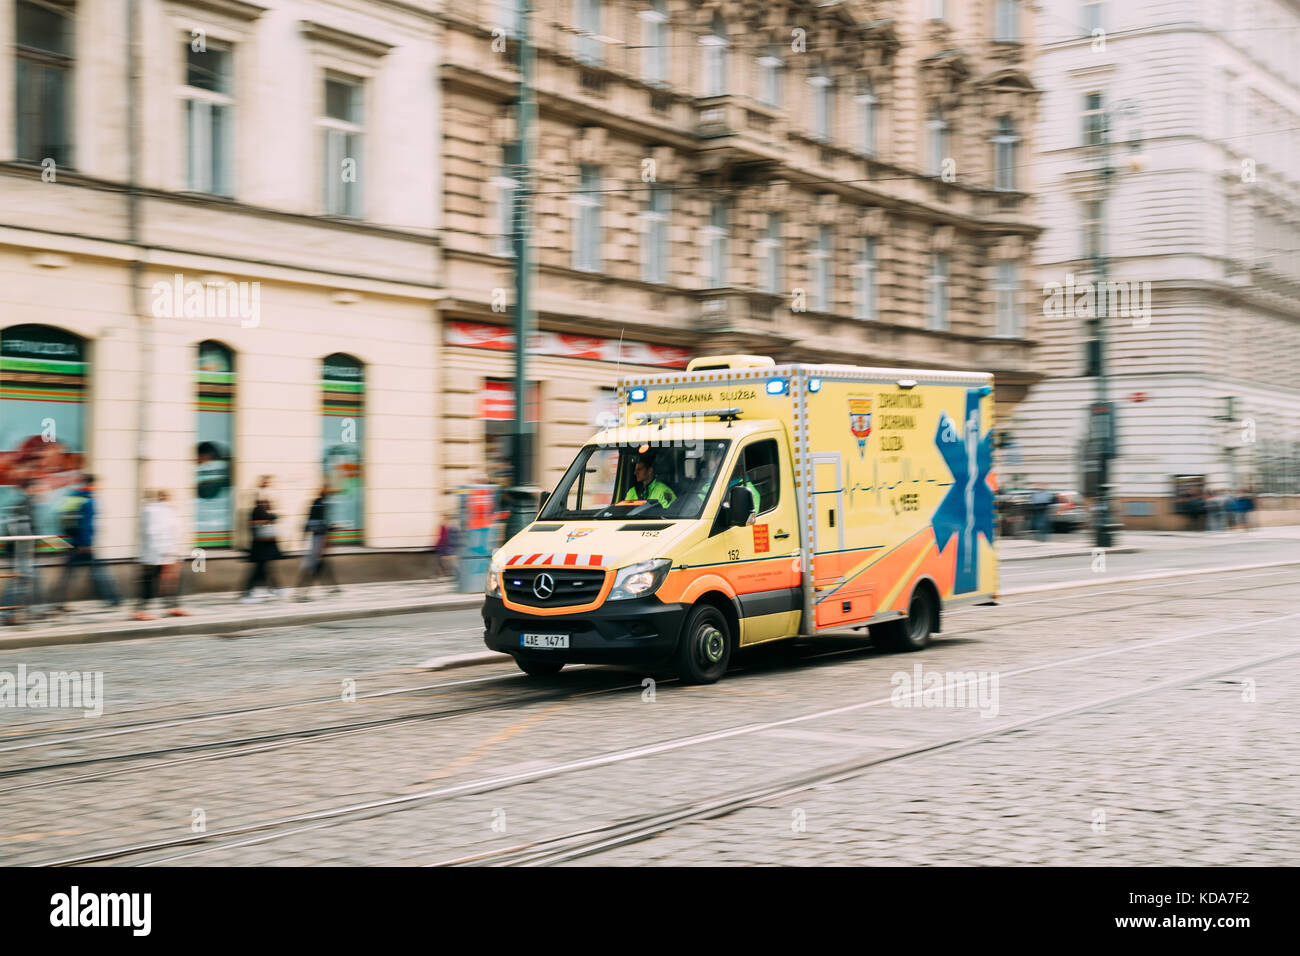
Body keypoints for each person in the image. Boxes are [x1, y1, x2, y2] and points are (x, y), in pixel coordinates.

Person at [51, 473, 121, 611]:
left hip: (70, 541)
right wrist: (86, 543)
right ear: (93, 484)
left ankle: (59, 601)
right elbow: (87, 524)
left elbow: (61, 517)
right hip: (83, 544)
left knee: (69, 573)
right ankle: (113, 598)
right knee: (99, 572)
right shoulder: (89, 499)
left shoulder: (73, 496)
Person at [135, 489, 188, 620]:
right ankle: (140, 611)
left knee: (167, 582)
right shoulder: (154, 511)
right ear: (163, 498)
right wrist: (165, 553)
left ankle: (172, 607)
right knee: (152, 582)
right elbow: (154, 533)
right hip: (158, 555)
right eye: (169, 496)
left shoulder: (163, 511)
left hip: (162, 554)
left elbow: (172, 532)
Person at [2, 477, 42, 624]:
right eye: (37, 487)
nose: (39, 490)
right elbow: (24, 527)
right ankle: (9, 613)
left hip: (23, 548)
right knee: (20, 580)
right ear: (30, 488)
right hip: (23, 549)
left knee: (29, 578)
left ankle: (25, 610)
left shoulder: (23, 502)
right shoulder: (25, 502)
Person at [294, 485, 341, 600]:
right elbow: (319, 523)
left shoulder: (318, 502)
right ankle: (301, 593)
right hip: (317, 539)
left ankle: (332, 588)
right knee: (313, 566)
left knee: (321, 565)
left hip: (317, 539)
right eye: (328, 490)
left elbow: (311, 521)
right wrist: (332, 528)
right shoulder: (321, 503)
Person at [241, 484, 284, 602]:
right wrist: (271, 515)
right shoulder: (259, 509)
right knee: (259, 570)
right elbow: (272, 517)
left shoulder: (258, 509)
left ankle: (273, 588)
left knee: (264, 569)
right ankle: (249, 592)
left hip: (261, 547)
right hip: (260, 547)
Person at [430, 513, 459, 582]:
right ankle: (442, 573)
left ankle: (441, 574)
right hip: (443, 546)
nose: (442, 519)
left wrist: (440, 545)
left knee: (443, 561)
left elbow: (444, 537)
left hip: (445, 546)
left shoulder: (447, 527)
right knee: (440, 561)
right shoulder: (444, 526)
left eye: (443, 518)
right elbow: (441, 537)